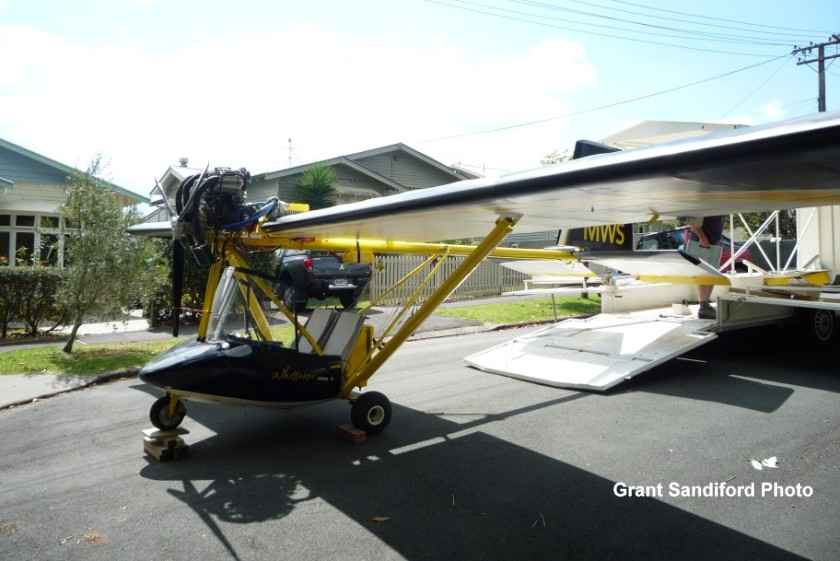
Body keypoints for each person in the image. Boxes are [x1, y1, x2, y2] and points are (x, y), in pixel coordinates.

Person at [689, 215, 724, 319]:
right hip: (702, 242)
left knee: (712, 275)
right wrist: (702, 237)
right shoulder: (706, 207)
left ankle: (706, 306)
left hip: (712, 242)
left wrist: (716, 240)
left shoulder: (720, 208)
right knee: (703, 275)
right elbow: (692, 220)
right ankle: (703, 307)